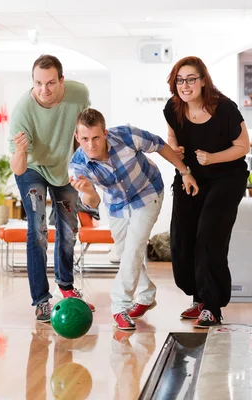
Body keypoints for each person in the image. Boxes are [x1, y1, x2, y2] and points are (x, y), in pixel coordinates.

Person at [69, 108, 198, 330]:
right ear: (77, 138)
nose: (91, 145)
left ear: (106, 133)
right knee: (124, 252)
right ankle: (146, 296)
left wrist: (185, 172)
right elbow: (92, 202)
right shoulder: (78, 166)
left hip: (148, 191)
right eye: (85, 139)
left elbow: (159, 145)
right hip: (116, 203)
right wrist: (89, 191)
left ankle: (120, 307)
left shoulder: (127, 136)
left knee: (133, 249)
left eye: (96, 137)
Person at [164, 56, 250, 328]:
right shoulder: (173, 108)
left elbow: (243, 146)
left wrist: (212, 158)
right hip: (190, 176)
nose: (185, 85)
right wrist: (179, 159)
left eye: (191, 79)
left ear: (203, 81)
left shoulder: (224, 109)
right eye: (180, 80)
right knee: (182, 238)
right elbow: (171, 138)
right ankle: (198, 299)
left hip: (226, 177)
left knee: (209, 235)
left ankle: (212, 306)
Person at [9, 54, 93, 324]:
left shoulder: (79, 94)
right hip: (32, 167)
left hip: (65, 166)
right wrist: (21, 150)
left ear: (61, 81)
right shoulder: (22, 110)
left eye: (50, 83)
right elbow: (18, 168)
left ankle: (66, 286)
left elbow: (82, 133)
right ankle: (41, 300)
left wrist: (82, 166)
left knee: (68, 230)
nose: (43, 90)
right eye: (38, 83)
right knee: (38, 231)